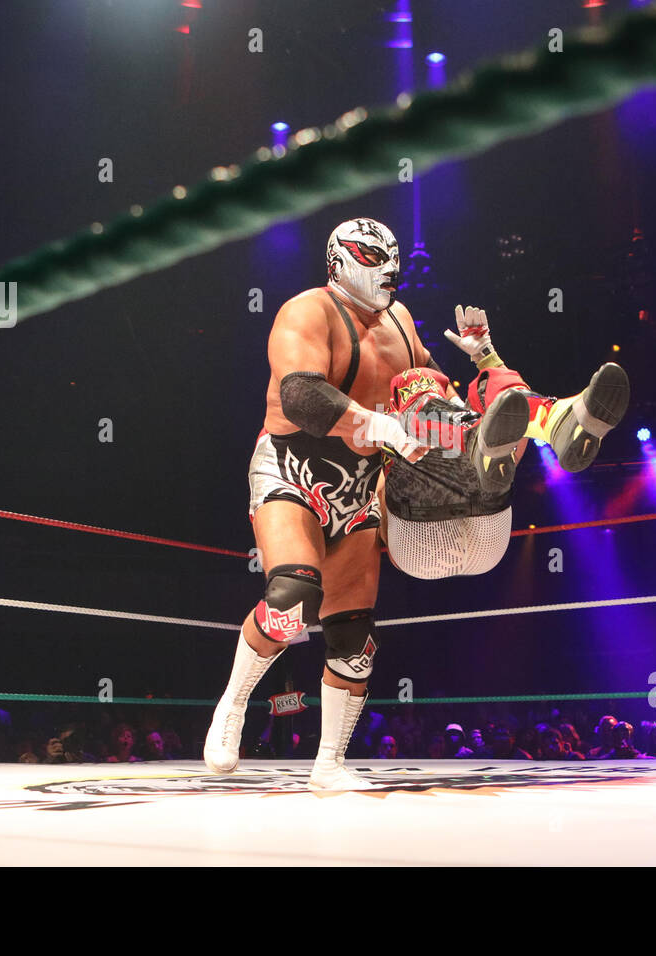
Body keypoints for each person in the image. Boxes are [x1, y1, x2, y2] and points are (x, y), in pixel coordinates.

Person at [205, 218, 450, 791]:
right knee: (293, 596)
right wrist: (382, 424)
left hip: (360, 487)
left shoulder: (400, 318)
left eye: (392, 256)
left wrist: (465, 418)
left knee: (355, 637)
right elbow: (301, 394)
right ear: (339, 260)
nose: (388, 267)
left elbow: (426, 382)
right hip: (294, 470)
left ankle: (330, 764)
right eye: (373, 256)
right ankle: (234, 703)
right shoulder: (305, 311)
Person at [378, 306, 629, 580]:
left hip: (454, 531)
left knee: (494, 386)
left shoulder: (434, 402)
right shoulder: (377, 401)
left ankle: (555, 421)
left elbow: (490, 422)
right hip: (431, 534)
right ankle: (511, 428)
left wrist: (485, 355)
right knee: (414, 381)